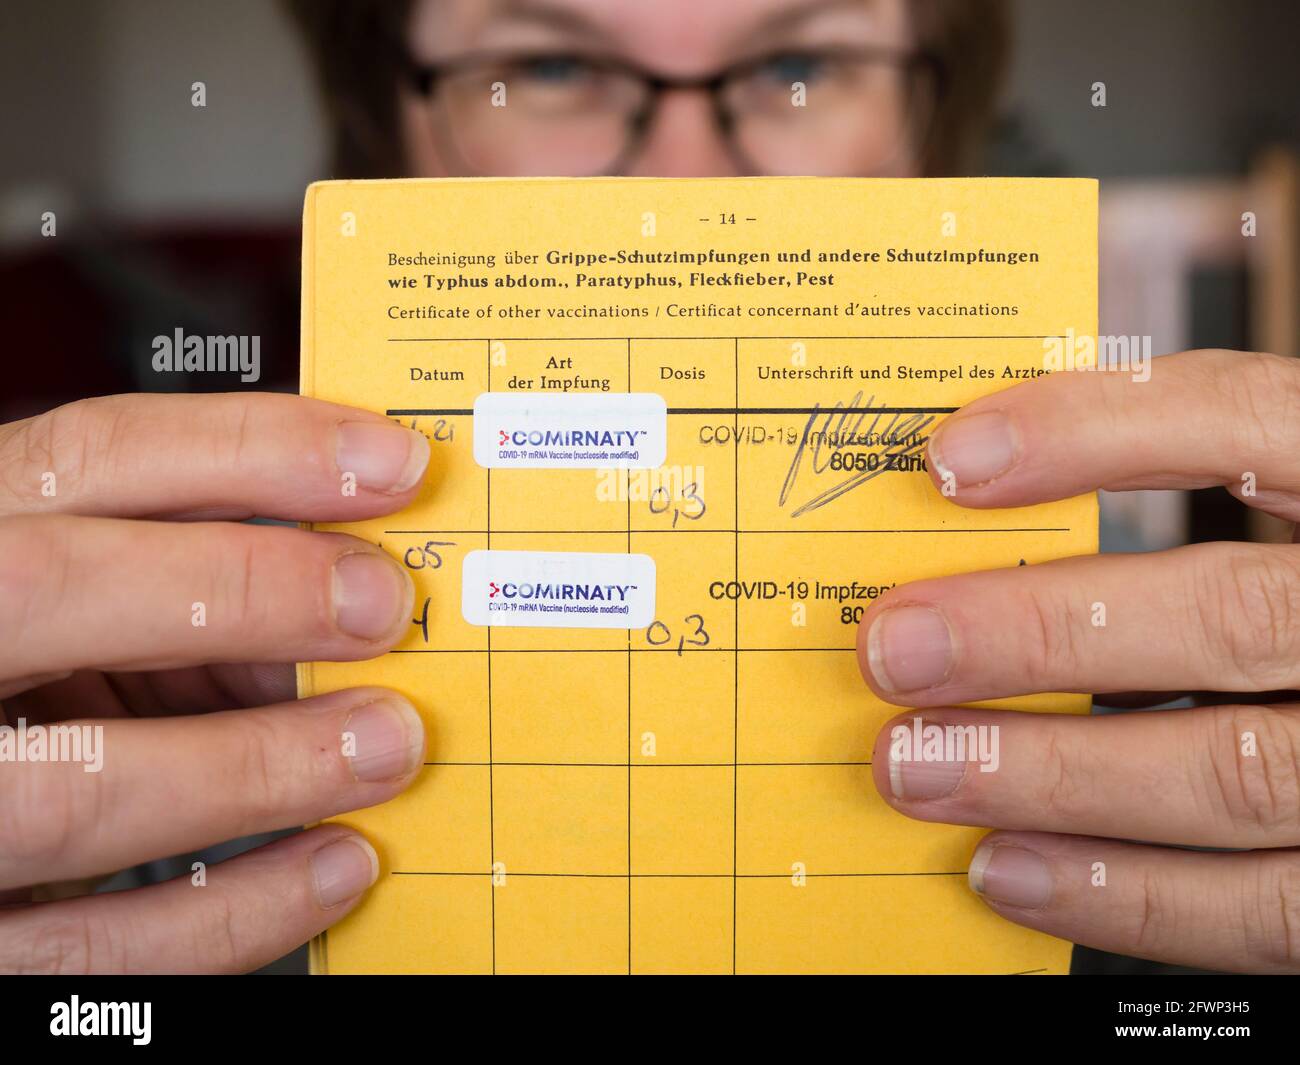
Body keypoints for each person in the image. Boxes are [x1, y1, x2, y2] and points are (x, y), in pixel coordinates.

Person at [1, 0, 1295, 974]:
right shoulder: (117, 665)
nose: (685, 187)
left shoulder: (1154, 631)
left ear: (933, 125)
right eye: (553, 65)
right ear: (383, 119)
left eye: (799, 67)